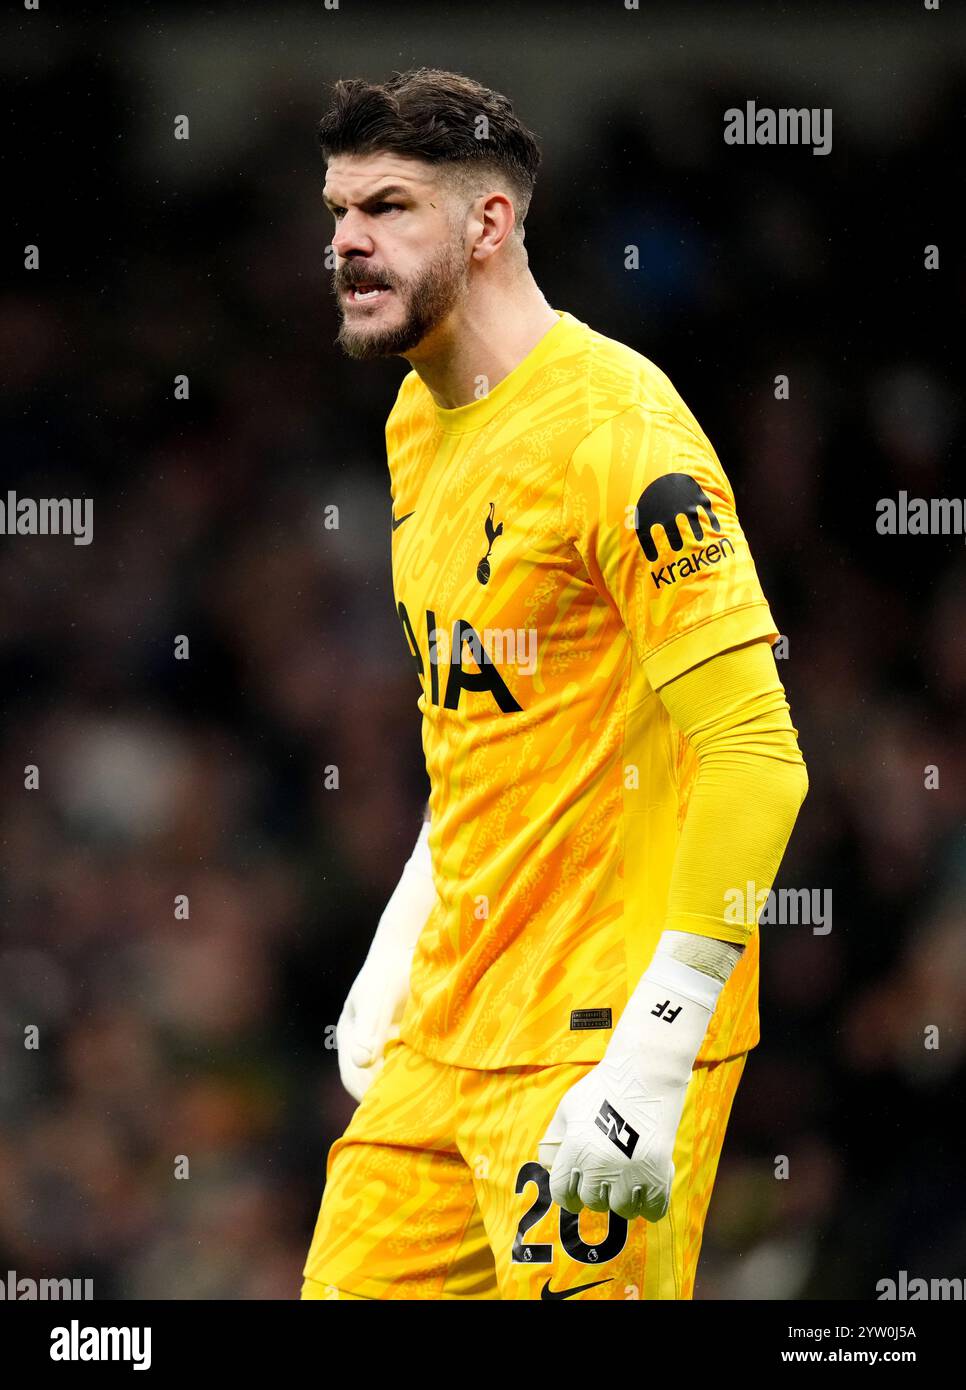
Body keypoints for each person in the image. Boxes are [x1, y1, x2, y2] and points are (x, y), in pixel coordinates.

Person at [301, 67, 808, 1301]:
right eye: (336, 212)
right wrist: (400, 937)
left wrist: (657, 1050)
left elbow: (758, 758)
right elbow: (488, 728)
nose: (346, 242)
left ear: (488, 224)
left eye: (387, 207)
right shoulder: (417, 425)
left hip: (599, 1039)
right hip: (448, 1033)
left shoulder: (618, 432)